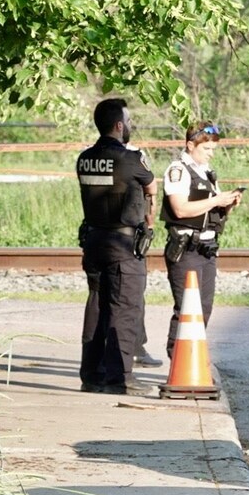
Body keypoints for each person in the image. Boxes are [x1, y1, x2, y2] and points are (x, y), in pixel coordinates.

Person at [76, 98, 158, 396]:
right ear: (119, 125)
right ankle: (120, 378)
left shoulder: (84, 158)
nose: (131, 125)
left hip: (94, 240)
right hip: (123, 244)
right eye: (129, 120)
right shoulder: (129, 159)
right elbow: (152, 187)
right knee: (125, 309)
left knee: (97, 306)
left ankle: (91, 375)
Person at [160, 122, 242, 358]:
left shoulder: (206, 172)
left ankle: (190, 361)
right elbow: (180, 209)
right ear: (190, 145)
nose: (210, 154)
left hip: (206, 249)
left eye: (212, 149)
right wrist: (216, 200)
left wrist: (227, 205)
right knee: (187, 308)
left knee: (204, 309)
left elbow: (210, 214)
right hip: (186, 248)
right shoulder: (178, 170)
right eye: (206, 149)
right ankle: (177, 360)